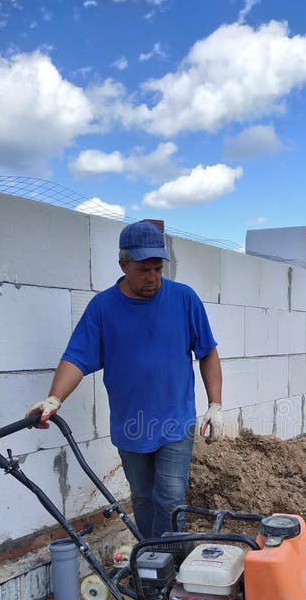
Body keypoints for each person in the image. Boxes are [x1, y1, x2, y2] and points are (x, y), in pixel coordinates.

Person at [28, 220, 223, 537]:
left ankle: (169, 564)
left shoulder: (184, 299)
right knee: (143, 500)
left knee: (170, 500)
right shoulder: (102, 308)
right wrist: (54, 399)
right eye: (144, 270)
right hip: (130, 426)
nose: (153, 277)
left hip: (176, 422)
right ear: (123, 264)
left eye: (158, 268)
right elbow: (76, 358)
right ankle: (151, 563)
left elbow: (208, 353)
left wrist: (215, 404)